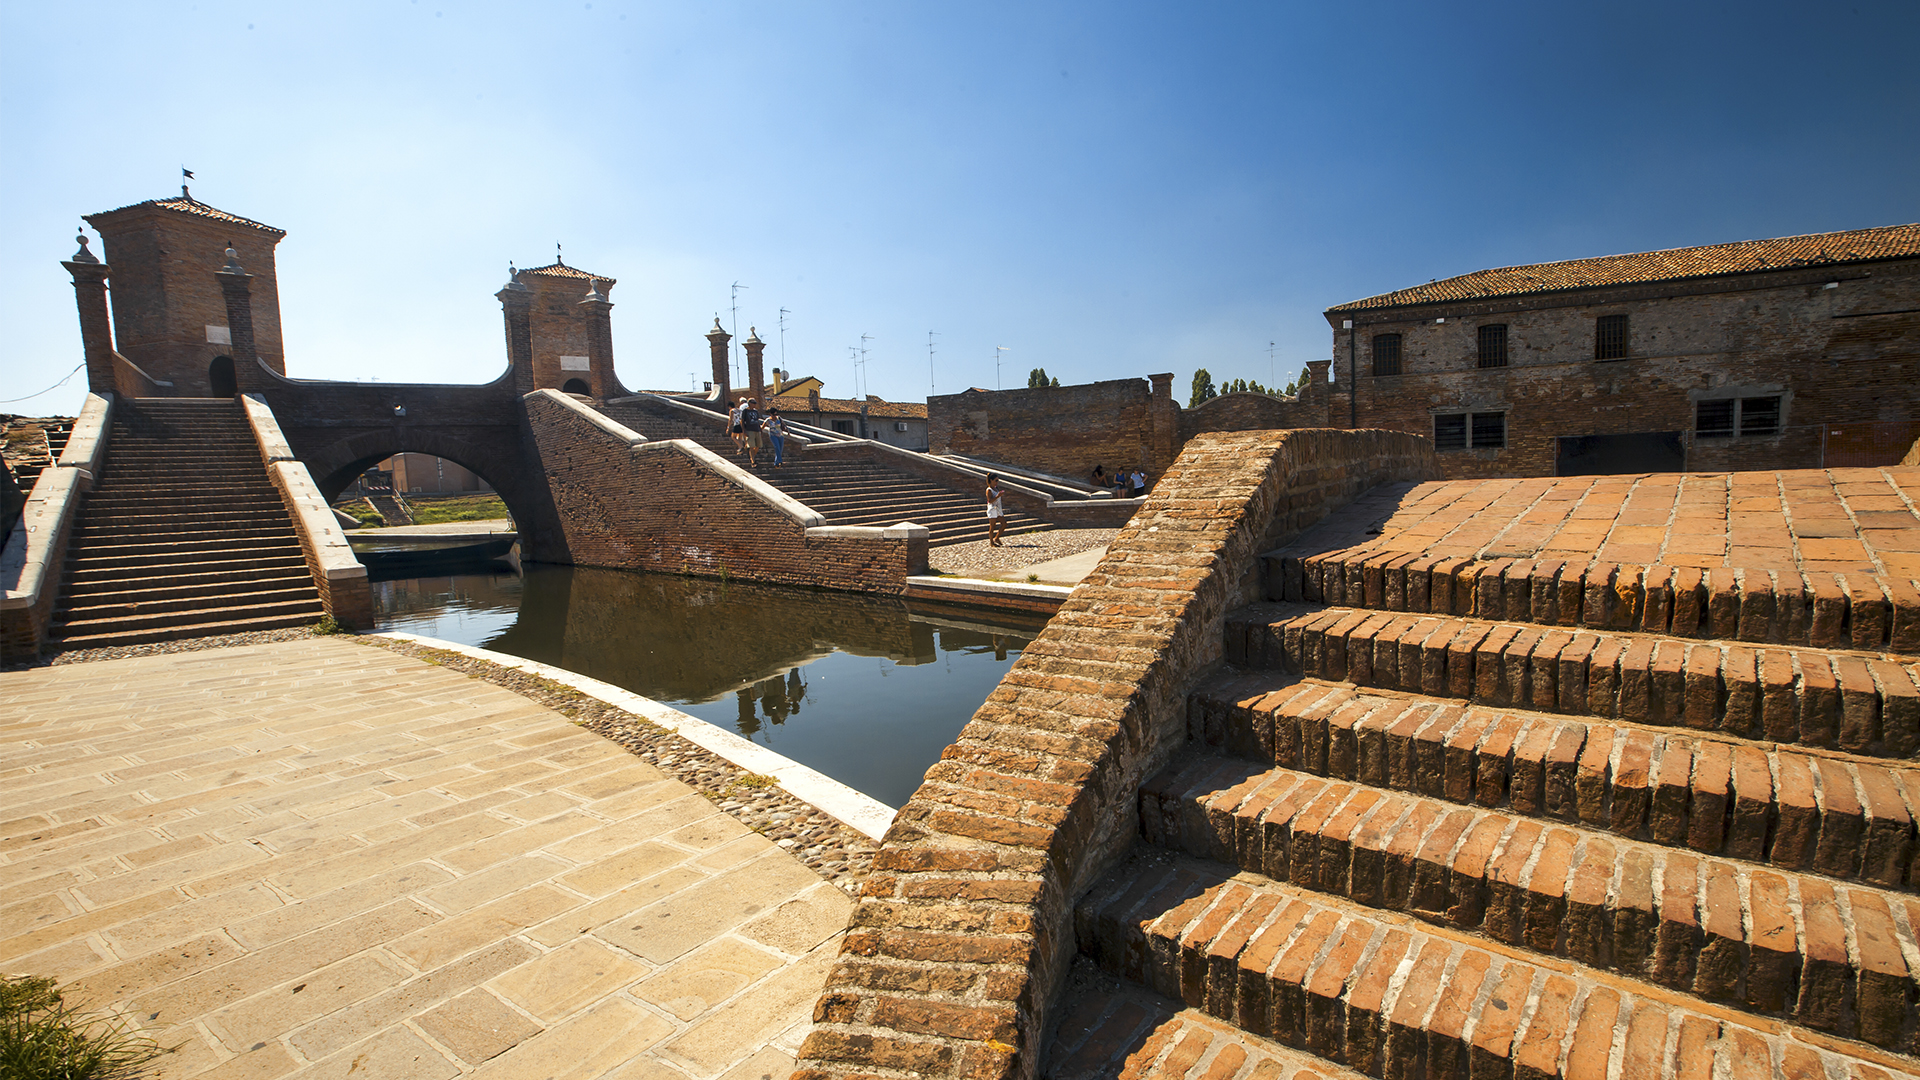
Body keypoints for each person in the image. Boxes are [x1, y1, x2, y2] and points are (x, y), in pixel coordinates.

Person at [740, 398, 765, 467]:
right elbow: (742, 421)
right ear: (749, 403)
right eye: (753, 403)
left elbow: (757, 421)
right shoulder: (745, 411)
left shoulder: (756, 412)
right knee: (752, 446)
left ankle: (752, 455)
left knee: (758, 445)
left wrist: (760, 430)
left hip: (756, 429)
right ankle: (752, 460)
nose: (755, 405)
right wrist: (744, 430)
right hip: (749, 429)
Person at [984, 473, 1006, 547]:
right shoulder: (989, 490)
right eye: (996, 480)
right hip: (992, 509)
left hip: (998, 509)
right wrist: (997, 496)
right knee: (992, 526)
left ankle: (996, 537)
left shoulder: (996, 488)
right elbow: (989, 500)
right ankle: (991, 542)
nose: (997, 482)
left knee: (1004, 524)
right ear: (991, 480)